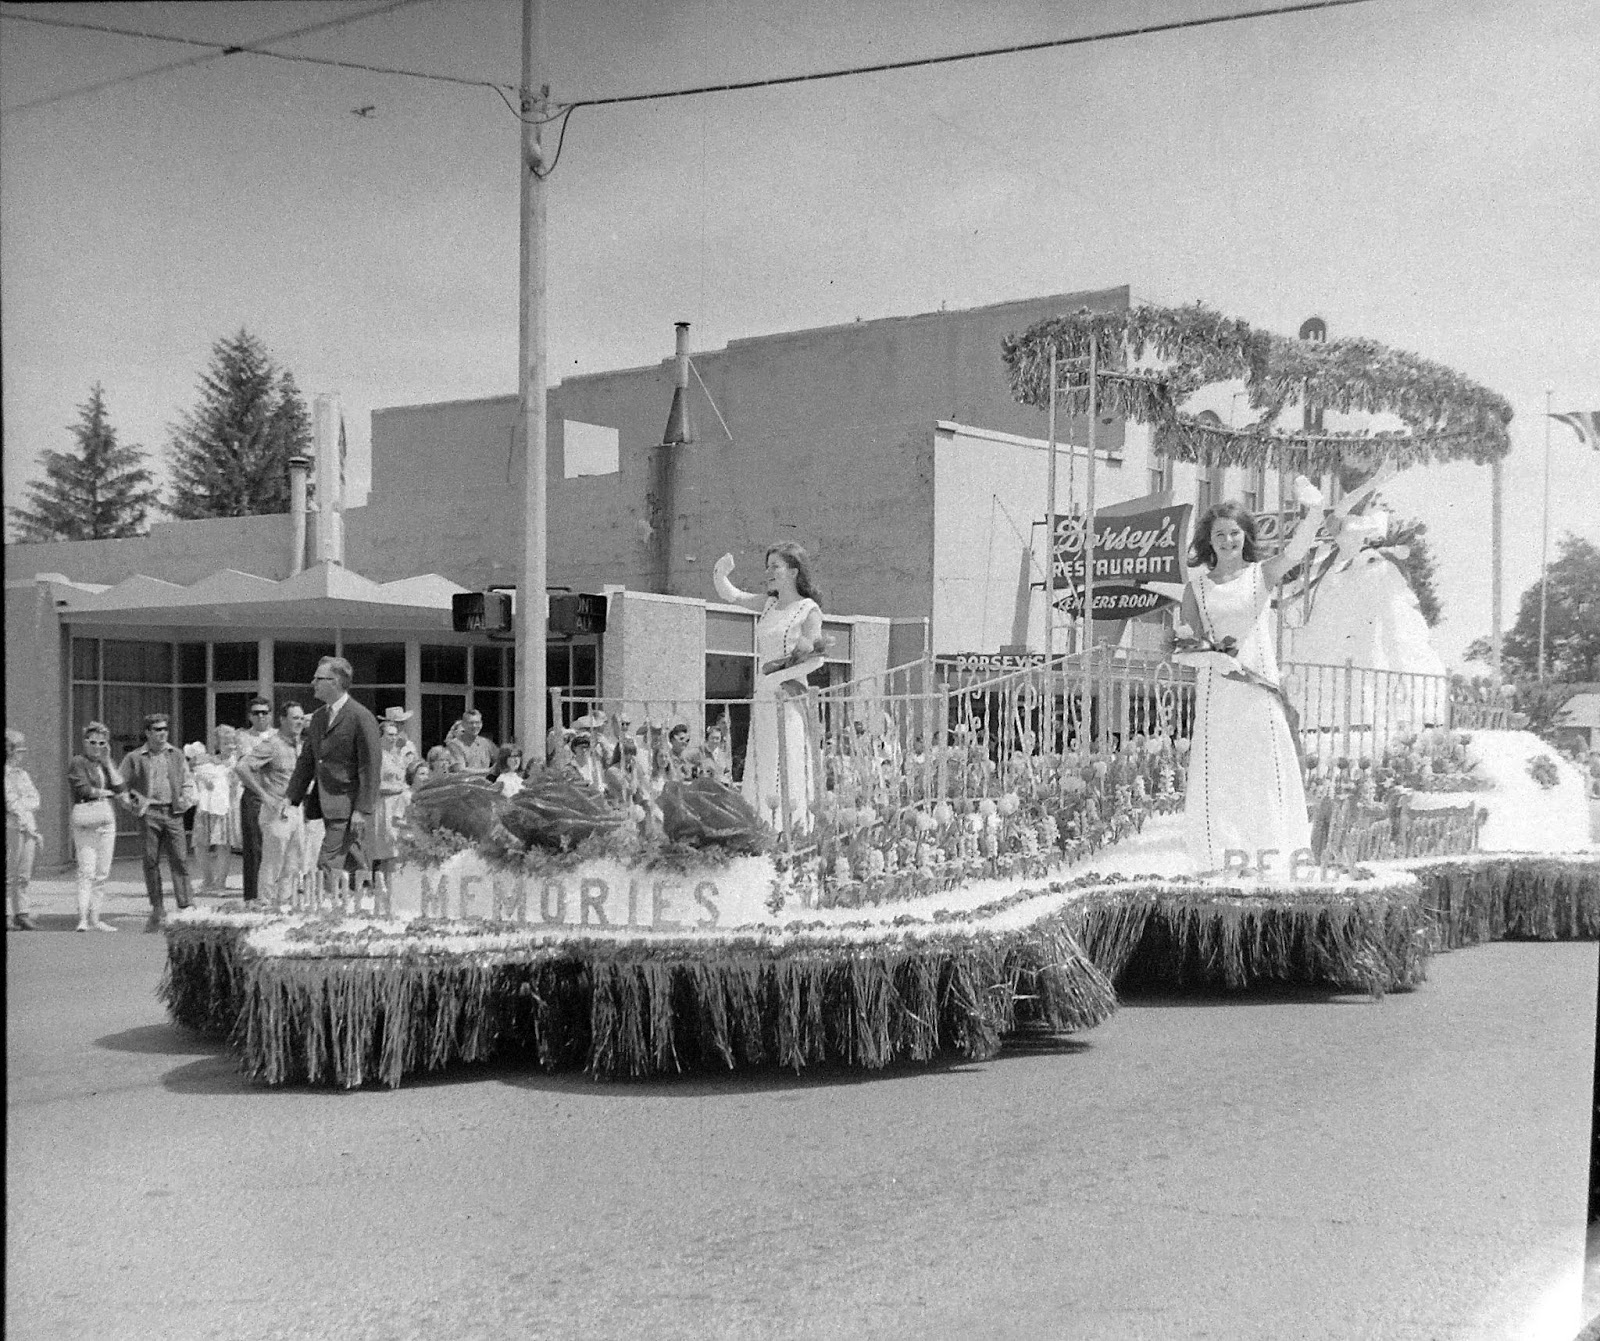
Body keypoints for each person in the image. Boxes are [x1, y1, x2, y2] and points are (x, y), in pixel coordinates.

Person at [1176, 480, 1325, 876]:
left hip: (1257, 693)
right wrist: (1208, 658)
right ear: (1208, 541)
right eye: (1219, 534)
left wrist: (1314, 510)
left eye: (1234, 533)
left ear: (1245, 536)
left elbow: (1296, 551)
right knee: (1221, 772)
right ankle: (1223, 859)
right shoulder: (1197, 588)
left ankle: (1274, 856)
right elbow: (1183, 644)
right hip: (1217, 696)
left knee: (1263, 770)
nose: (1227, 541)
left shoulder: (1261, 575)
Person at [713, 543, 825, 833]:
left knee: (786, 757)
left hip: (789, 695)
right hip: (764, 696)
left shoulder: (808, 610)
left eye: (775, 566)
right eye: (768, 565)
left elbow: (816, 660)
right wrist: (720, 572)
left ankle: (793, 830)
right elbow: (732, 595)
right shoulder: (769, 604)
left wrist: (777, 678)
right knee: (762, 758)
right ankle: (760, 828)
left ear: (793, 571)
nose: (769, 572)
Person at [285, 656, 383, 894]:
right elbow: (308, 761)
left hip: (349, 807)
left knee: (328, 861)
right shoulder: (319, 717)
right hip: (325, 804)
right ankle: (366, 906)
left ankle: (322, 909)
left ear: (337, 682)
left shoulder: (361, 717)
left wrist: (362, 809)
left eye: (319, 678)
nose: (313, 683)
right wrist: (291, 798)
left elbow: (370, 767)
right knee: (354, 864)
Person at [120, 713, 195, 929]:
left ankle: (186, 904)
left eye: (164, 729)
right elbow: (120, 784)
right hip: (149, 812)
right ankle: (157, 907)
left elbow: (187, 780)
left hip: (173, 813)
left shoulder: (176, 754)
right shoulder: (135, 757)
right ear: (147, 733)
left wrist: (185, 799)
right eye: (157, 730)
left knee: (180, 859)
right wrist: (131, 803)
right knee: (151, 860)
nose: (162, 733)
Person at [236, 703, 308, 907]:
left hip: (296, 809)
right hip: (276, 811)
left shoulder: (300, 745)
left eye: (301, 719)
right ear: (283, 720)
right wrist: (264, 795)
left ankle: (284, 904)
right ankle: (265, 904)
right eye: (295, 718)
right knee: (273, 862)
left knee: (293, 862)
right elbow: (242, 767)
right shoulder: (272, 744)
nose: (299, 723)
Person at [67, 722, 131, 932]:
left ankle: (96, 918)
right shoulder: (78, 762)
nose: (96, 747)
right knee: (86, 870)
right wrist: (108, 793)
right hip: (87, 817)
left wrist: (109, 762)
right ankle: (83, 919)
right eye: (92, 742)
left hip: (105, 818)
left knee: (102, 872)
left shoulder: (103, 763)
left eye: (101, 743)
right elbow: (83, 789)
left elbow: (120, 786)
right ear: (85, 742)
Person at [237, 696, 275, 903]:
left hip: (276, 795)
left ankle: (274, 894)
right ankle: (252, 896)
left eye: (264, 712)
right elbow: (249, 766)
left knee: (277, 845)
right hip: (254, 795)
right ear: (250, 716)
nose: (261, 716)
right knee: (254, 847)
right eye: (256, 713)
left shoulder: (278, 736)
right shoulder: (243, 737)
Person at [187, 736, 234, 895]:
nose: (230, 746)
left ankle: (220, 882)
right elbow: (190, 771)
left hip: (223, 808)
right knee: (200, 845)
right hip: (204, 807)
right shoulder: (205, 762)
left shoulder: (235, 762)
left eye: (233, 742)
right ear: (217, 745)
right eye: (226, 742)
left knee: (222, 845)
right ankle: (208, 879)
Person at [6, 729, 42, 930]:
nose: (22, 754)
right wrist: (20, 805)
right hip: (11, 826)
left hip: (27, 826)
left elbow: (35, 799)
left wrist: (22, 805)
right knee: (9, 872)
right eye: (19, 750)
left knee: (23, 873)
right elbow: (10, 801)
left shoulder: (22, 774)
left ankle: (22, 912)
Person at [370, 716, 413, 882]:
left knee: (398, 846)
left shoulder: (396, 755)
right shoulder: (377, 757)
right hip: (385, 803)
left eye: (395, 734)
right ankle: (381, 884)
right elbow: (374, 784)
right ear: (380, 736)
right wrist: (397, 788)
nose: (393, 737)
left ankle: (396, 884)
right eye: (389, 734)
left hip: (400, 804)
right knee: (387, 848)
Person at [447, 708, 496, 774]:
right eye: (471, 723)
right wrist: (489, 771)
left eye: (477, 723)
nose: (474, 726)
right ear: (463, 724)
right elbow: (461, 770)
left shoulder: (487, 743)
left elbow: (500, 760)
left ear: (481, 724)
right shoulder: (454, 745)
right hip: (463, 783)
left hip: (484, 783)